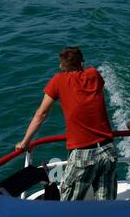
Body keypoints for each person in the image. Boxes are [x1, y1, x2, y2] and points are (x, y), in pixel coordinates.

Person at [16, 46, 118, 201]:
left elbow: (41, 114)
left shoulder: (58, 81)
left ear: (62, 66)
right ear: (82, 63)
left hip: (83, 155)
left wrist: (25, 142)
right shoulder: (94, 74)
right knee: (106, 205)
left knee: (67, 205)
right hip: (108, 151)